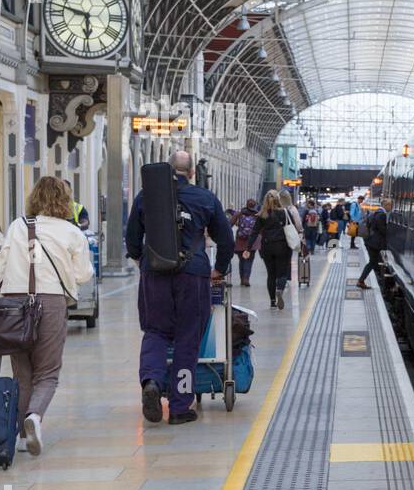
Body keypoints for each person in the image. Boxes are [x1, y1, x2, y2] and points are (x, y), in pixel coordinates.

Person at [0, 177, 94, 455]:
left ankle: (21, 437)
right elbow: (83, 274)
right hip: (51, 302)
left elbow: (0, 266)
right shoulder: (72, 233)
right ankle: (34, 416)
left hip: (14, 304)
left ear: (34, 198)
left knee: (22, 373)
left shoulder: (18, 225)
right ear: (66, 202)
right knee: (47, 372)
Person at [126, 150, 233, 426]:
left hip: (155, 272)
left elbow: (132, 238)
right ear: (193, 172)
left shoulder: (145, 196)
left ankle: (151, 380)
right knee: (188, 337)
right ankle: (179, 406)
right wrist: (219, 269)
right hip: (193, 275)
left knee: (155, 331)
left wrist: (143, 260)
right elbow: (226, 239)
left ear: (168, 168)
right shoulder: (205, 198)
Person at [249, 189, 295, 310]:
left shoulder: (262, 214)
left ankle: (273, 301)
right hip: (283, 246)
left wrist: (248, 248)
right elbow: (293, 227)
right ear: (278, 199)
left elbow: (254, 232)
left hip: (267, 247)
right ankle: (279, 289)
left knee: (271, 274)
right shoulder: (285, 212)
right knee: (282, 273)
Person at [356, 197, 390, 291]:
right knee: (372, 262)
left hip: (371, 241)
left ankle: (361, 280)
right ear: (386, 205)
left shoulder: (376, 212)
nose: (391, 207)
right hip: (374, 242)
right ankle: (361, 281)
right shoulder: (382, 214)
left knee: (373, 262)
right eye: (390, 205)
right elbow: (382, 229)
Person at [232, 198, 260, 287]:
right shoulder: (257, 215)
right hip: (253, 241)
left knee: (242, 260)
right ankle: (246, 279)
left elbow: (229, 224)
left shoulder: (240, 213)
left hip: (241, 240)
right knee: (249, 260)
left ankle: (242, 279)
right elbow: (262, 228)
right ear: (255, 205)